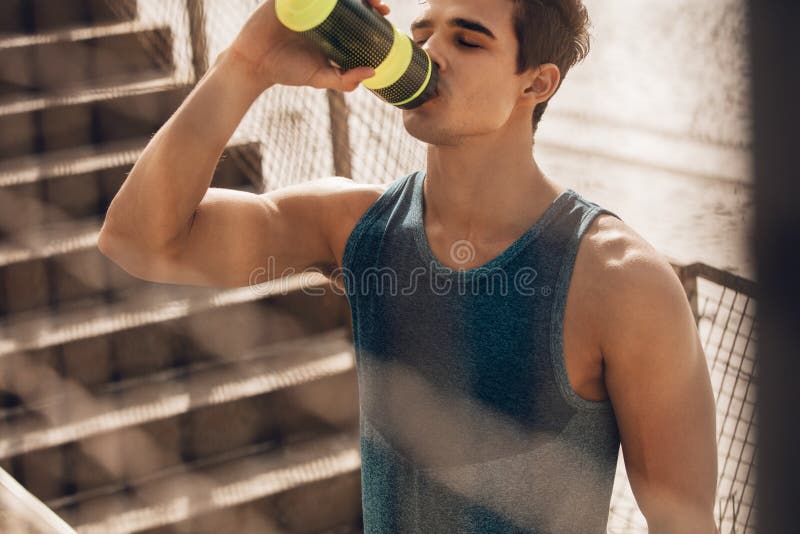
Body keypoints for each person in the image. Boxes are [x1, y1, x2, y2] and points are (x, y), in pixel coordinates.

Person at [98, 0, 719, 532]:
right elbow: (140, 241)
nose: (431, 53)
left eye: (468, 39)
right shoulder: (355, 226)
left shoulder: (621, 281)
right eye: (422, 35)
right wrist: (248, 64)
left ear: (537, 82)